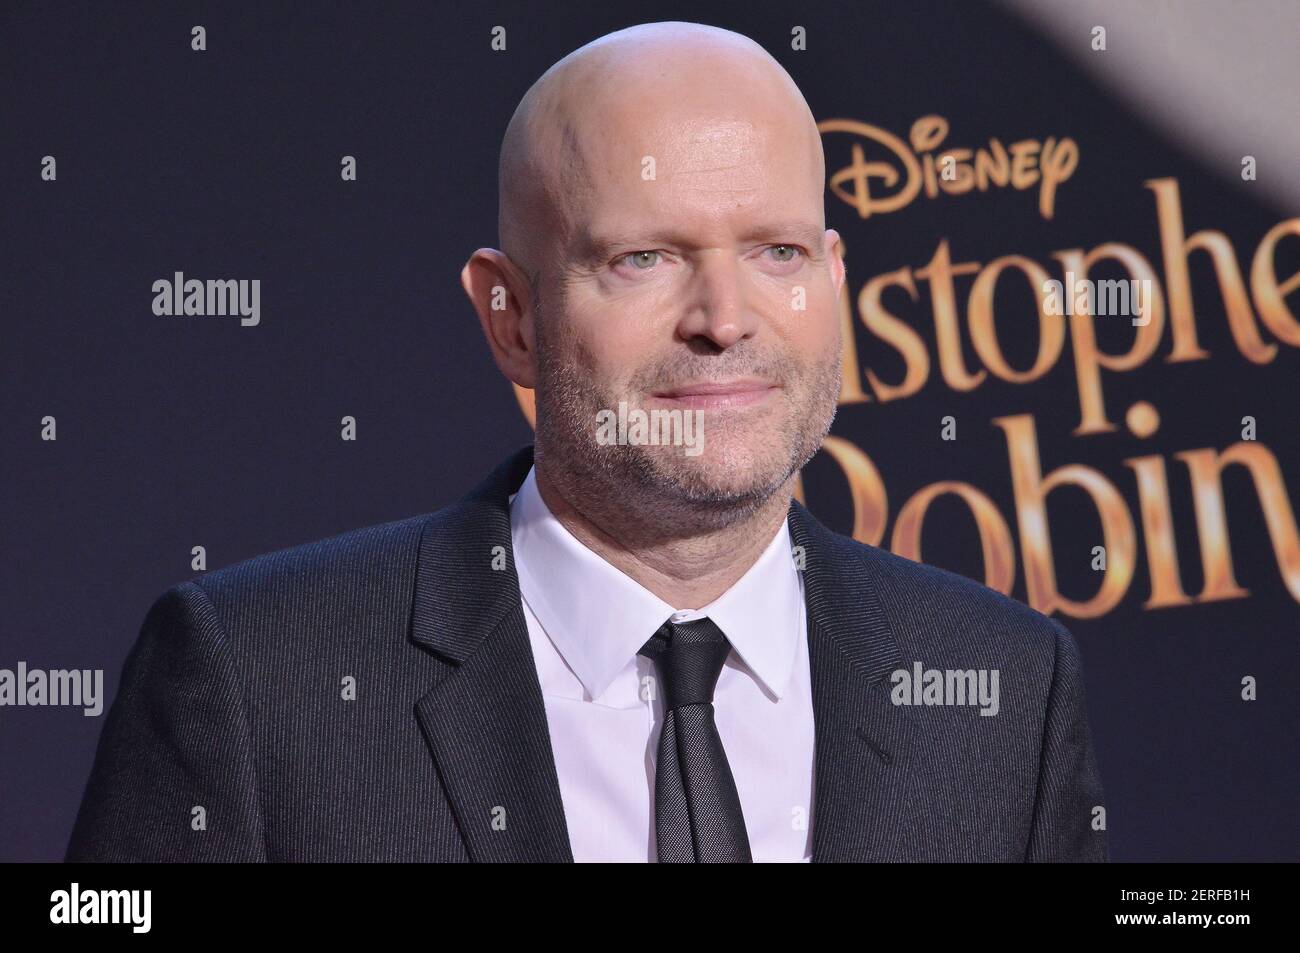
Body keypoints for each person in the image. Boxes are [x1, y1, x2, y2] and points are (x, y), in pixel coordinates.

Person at [66, 21, 1107, 863]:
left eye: (776, 250)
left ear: (833, 279)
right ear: (510, 316)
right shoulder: (255, 681)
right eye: (643, 257)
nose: (723, 316)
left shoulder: (1002, 686)